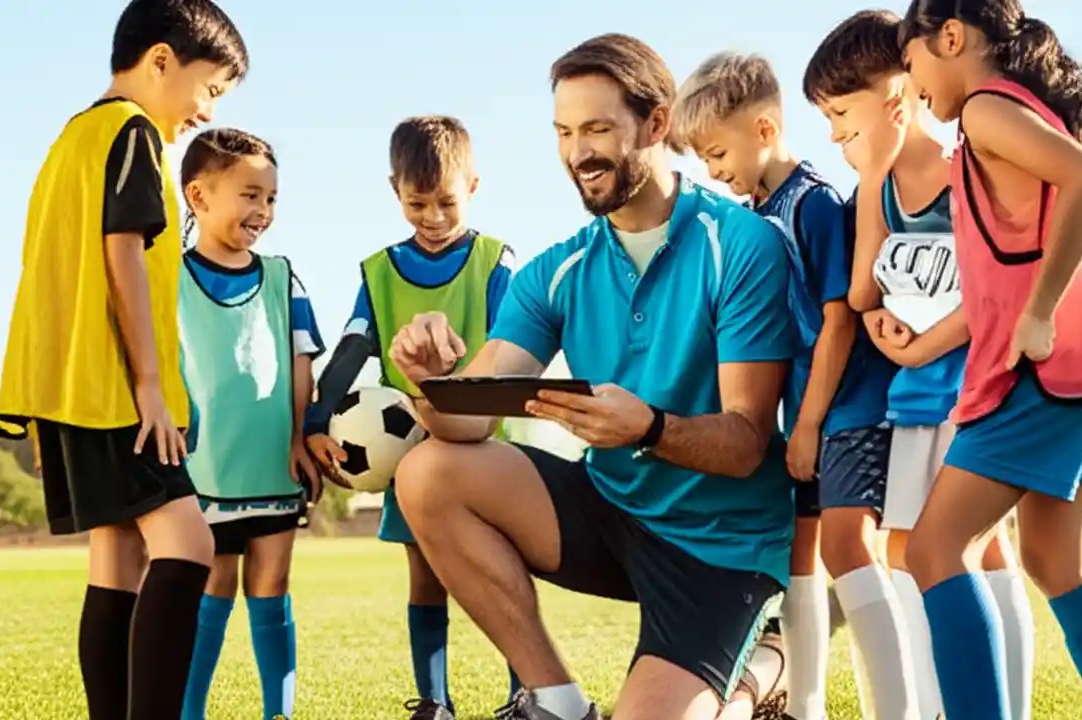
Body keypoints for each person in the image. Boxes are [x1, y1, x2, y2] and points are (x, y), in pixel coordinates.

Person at [386, 33, 799, 720]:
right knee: (428, 472)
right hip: (612, 516)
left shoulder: (741, 246)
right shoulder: (558, 271)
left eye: (598, 128)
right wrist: (433, 382)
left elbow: (746, 441)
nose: (578, 152)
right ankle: (555, 700)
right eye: (565, 132)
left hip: (723, 545)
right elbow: (468, 419)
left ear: (657, 123)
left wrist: (650, 427)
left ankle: (765, 663)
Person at [0, 1, 248, 718]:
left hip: (70, 389)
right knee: (190, 546)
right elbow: (121, 252)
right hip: (113, 389)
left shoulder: (72, 139)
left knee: (118, 562)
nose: (206, 109)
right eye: (212, 88)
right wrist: (150, 385)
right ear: (161, 60)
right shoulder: (133, 133)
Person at [898, 2, 1082, 719]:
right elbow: (1000, 284)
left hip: (1046, 376)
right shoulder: (1009, 115)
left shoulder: (985, 110)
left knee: (933, 551)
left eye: (911, 61)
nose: (912, 81)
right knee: (1055, 562)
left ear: (949, 38)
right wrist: (925, 344)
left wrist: (1041, 312)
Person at [802, 9, 1036, 719]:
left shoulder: (966, 170)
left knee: (976, 547)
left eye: (845, 115)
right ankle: (942, 703)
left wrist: (932, 343)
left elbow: (997, 288)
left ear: (898, 94)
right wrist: (873, 179)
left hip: (973, 391)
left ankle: (992, 706)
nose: (837, 134)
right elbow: (864, 290)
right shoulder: (880, 191)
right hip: (914, 397)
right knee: (907, 545)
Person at [674, 50, 911, 719]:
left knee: (845, 546)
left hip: (848, 408)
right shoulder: (752, 216)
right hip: (798, 416)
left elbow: (840, 321)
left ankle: (899, 709)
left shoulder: (813, 205)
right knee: (798, 559)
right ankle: (806, 707)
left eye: (719, 154)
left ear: (765, 129)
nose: (714, 173)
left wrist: (808, 424)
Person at [302, 115, 519, 720]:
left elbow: (510, 349)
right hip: (410, 461)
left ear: (472, 186)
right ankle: (434, 702)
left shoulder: (495, 263)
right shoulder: (377, 271)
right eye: (416, 202)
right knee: (424, 577)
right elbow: (351, 350)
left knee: (501, 576)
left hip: (488, 453)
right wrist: (317, 418)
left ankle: (522, 695)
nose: (433, 216)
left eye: (446, 201)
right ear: (394, 190)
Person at [175, 128, 328, 720]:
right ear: (199, 195)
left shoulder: (282, 276)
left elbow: (300, 362)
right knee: (210, 592)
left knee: (272, 589)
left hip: (272, 463)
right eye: (249, 195)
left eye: (270, 198)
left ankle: (278, 714)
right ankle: (190, 713)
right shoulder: (170, 279)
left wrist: (297, 438)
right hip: (203, 465)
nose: (262, 210)